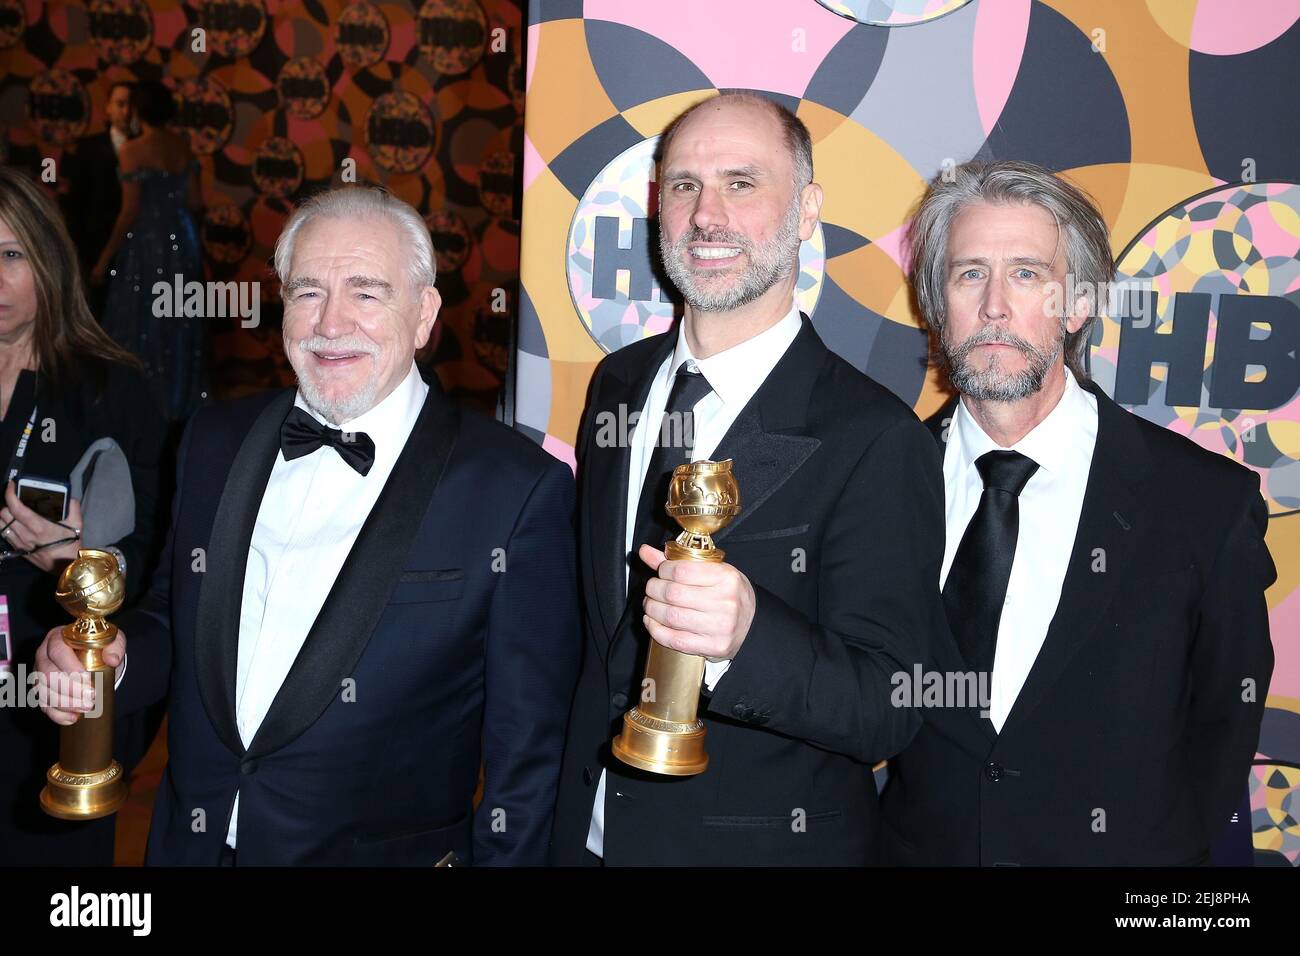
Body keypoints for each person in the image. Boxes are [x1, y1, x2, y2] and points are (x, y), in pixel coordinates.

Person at [36, 186, 581, 866]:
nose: (330, 323)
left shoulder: (515, 489)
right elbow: (175, 621)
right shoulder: (213, 439)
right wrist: (104, 664)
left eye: (367, 292)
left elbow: (529, 754)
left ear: (424, 315)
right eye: (307, 292)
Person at [550, 92, 946, 866]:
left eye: (742, 183)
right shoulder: (619, 386)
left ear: (805, 212)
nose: (706, 217)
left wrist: (745, 640)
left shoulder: (875, 437)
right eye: (685, 185)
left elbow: (890, 706)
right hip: (586, 838)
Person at [881, 159, 1276, 866]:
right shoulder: (876, 483)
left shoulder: (1204, 506)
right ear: (937, 305)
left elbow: (1222, 731)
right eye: (970, 274)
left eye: (1027, 274)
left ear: (1080, 304)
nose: (995, 305)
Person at [0, 165, 166, 865]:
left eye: (9, 257)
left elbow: (157, 559)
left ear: (49, 259)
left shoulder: (112, 388)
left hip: (52, 689)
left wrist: (78, 562)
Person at [94, 79, 205, 421]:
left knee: (141, 323)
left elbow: (129, 212)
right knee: (177, 321)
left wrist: (102, 260)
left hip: (147, 248)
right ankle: (175, 402)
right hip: (183, 244)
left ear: (139, 111)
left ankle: (138, 408)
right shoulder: (183, 147)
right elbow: (195, 202)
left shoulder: (131, 151)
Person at [59, 80, 135, 320]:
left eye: (131, 105)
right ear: (108, 108)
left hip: (135, 245)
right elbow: (76, 201)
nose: (127, 111)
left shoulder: (148, 148)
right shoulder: (89, 147)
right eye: (120, 104)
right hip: (94, 244)